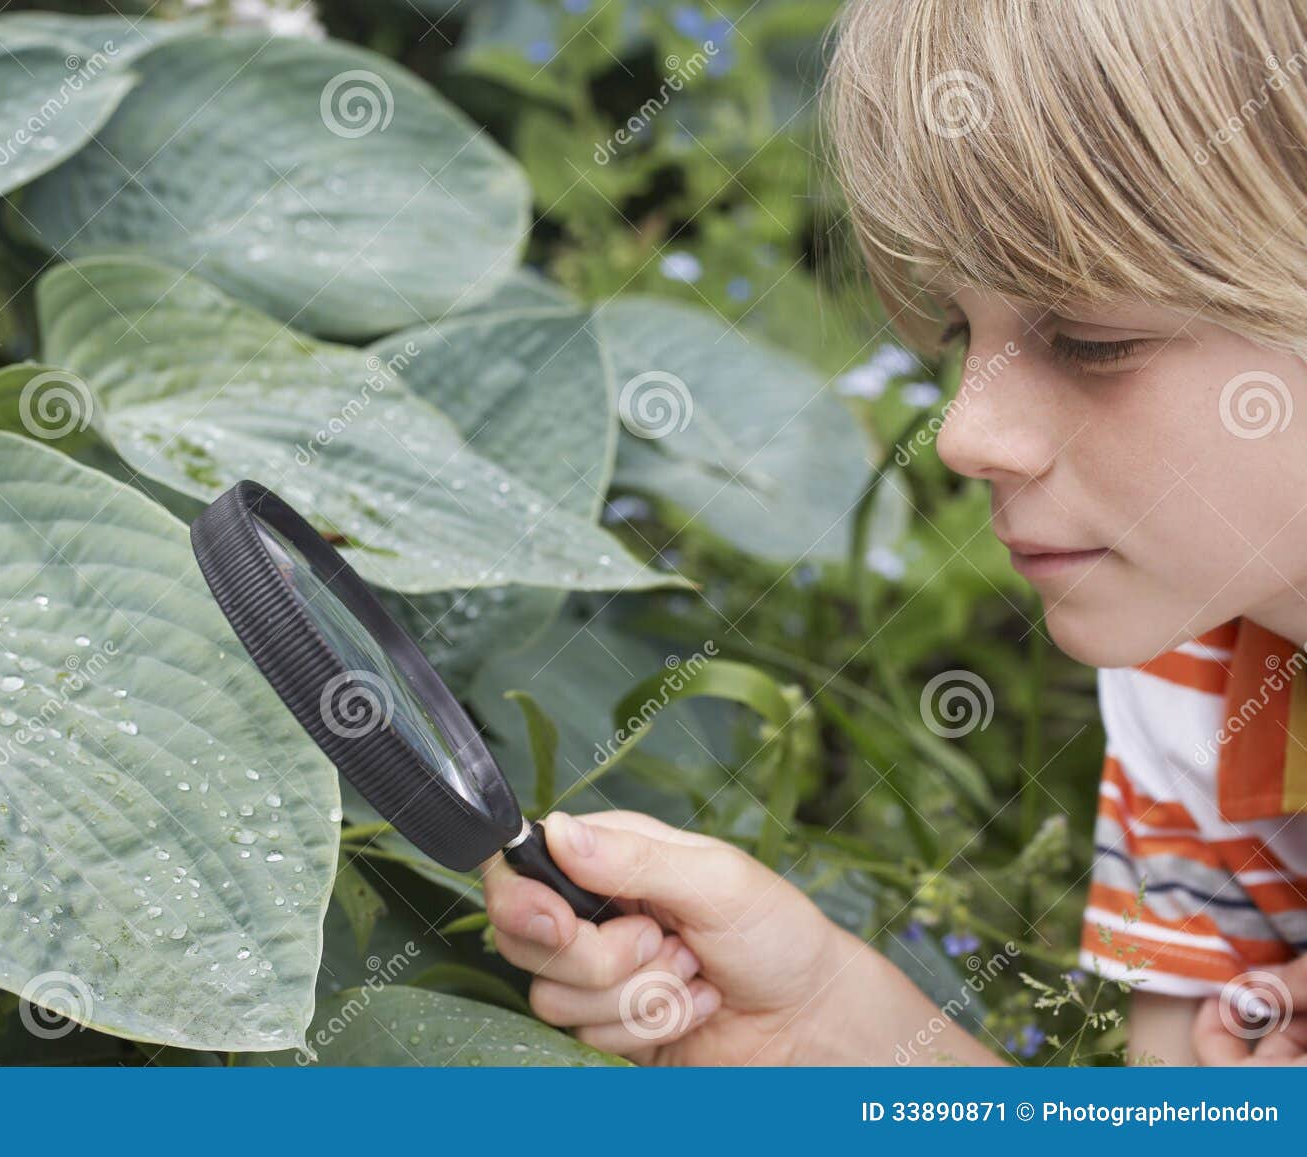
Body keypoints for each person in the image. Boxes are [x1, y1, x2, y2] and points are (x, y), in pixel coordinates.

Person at [484, 0, 1307, 1065]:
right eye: (963, 329)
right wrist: (819, 1025)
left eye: (1095, 339)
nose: (965, 431)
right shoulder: (1201, 669)